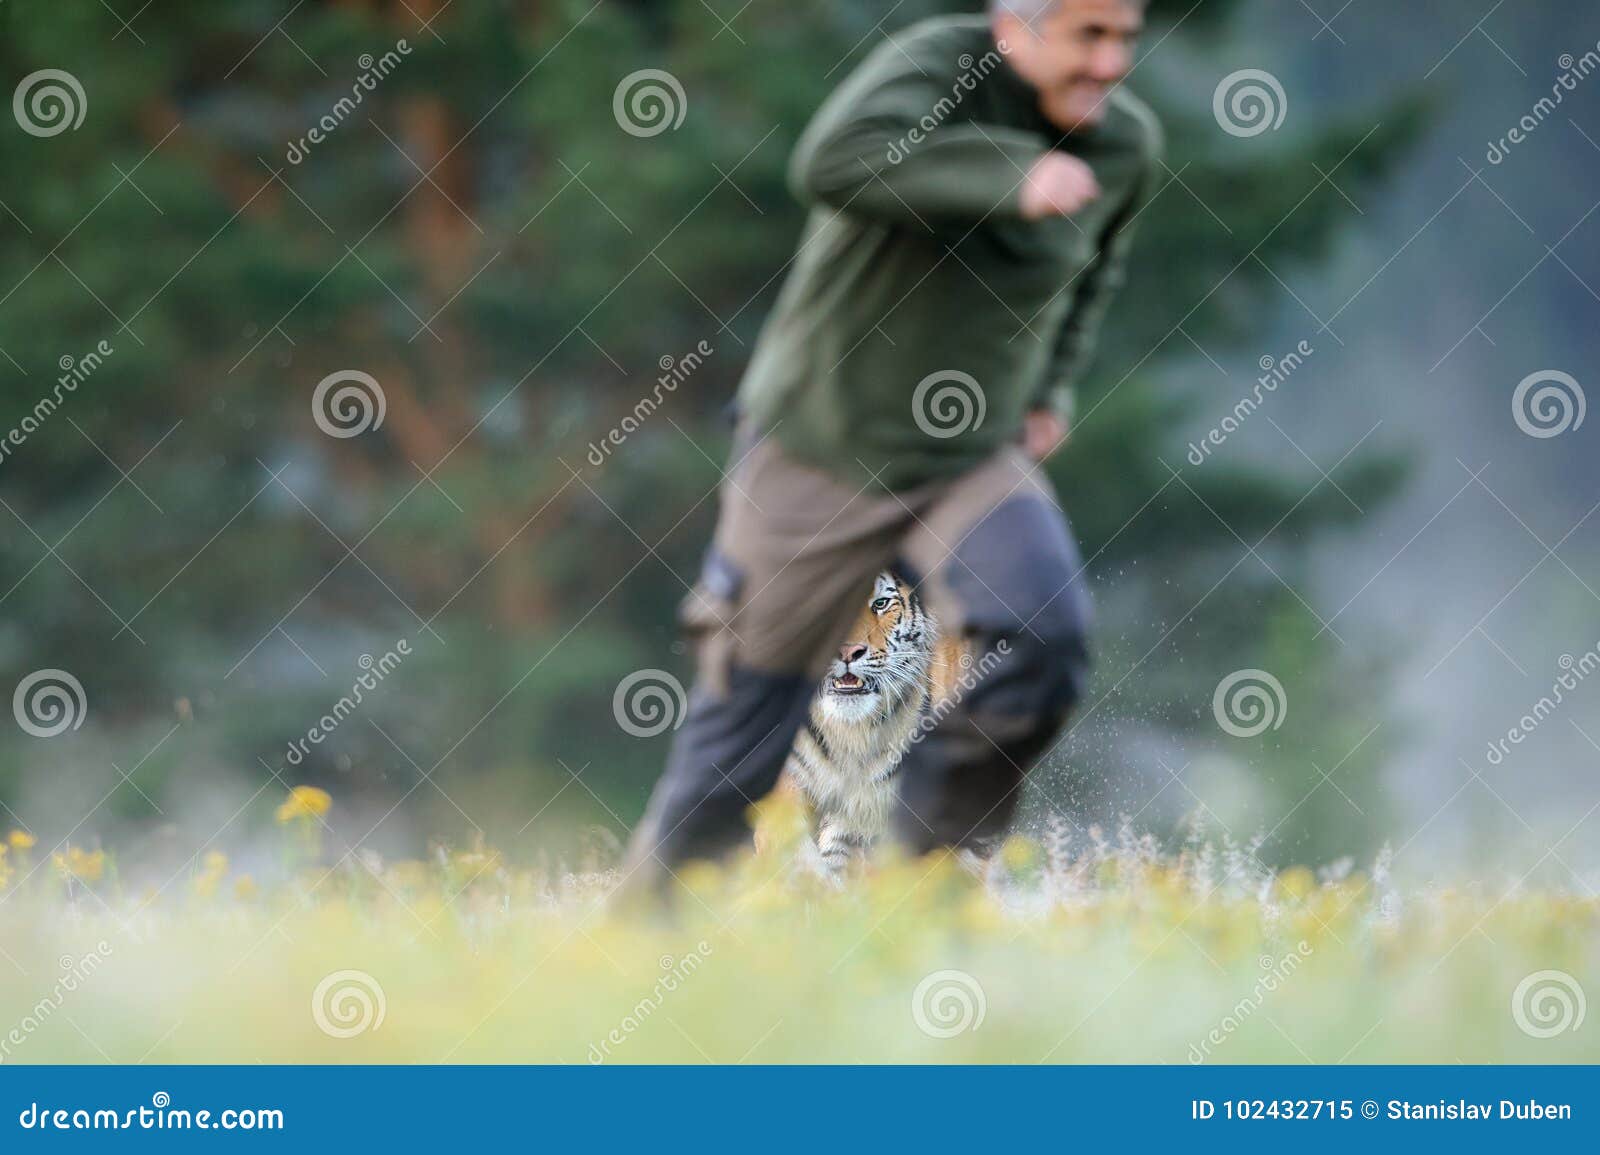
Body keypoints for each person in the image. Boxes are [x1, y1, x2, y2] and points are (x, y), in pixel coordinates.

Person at [622, 0, 1161, 891]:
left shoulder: (1122, 147)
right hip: (818, 446)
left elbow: (1092, 276)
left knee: (1040, 638)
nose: (1109, 65)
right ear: (1013, 28)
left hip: (967, 457)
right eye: (1086, 38)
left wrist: (1052, 388)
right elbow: (831, 160)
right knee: (739, 743)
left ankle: (918, 898)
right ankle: (637, 965)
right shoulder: (938, 70)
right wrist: (1011, 175)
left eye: (1124, 40)